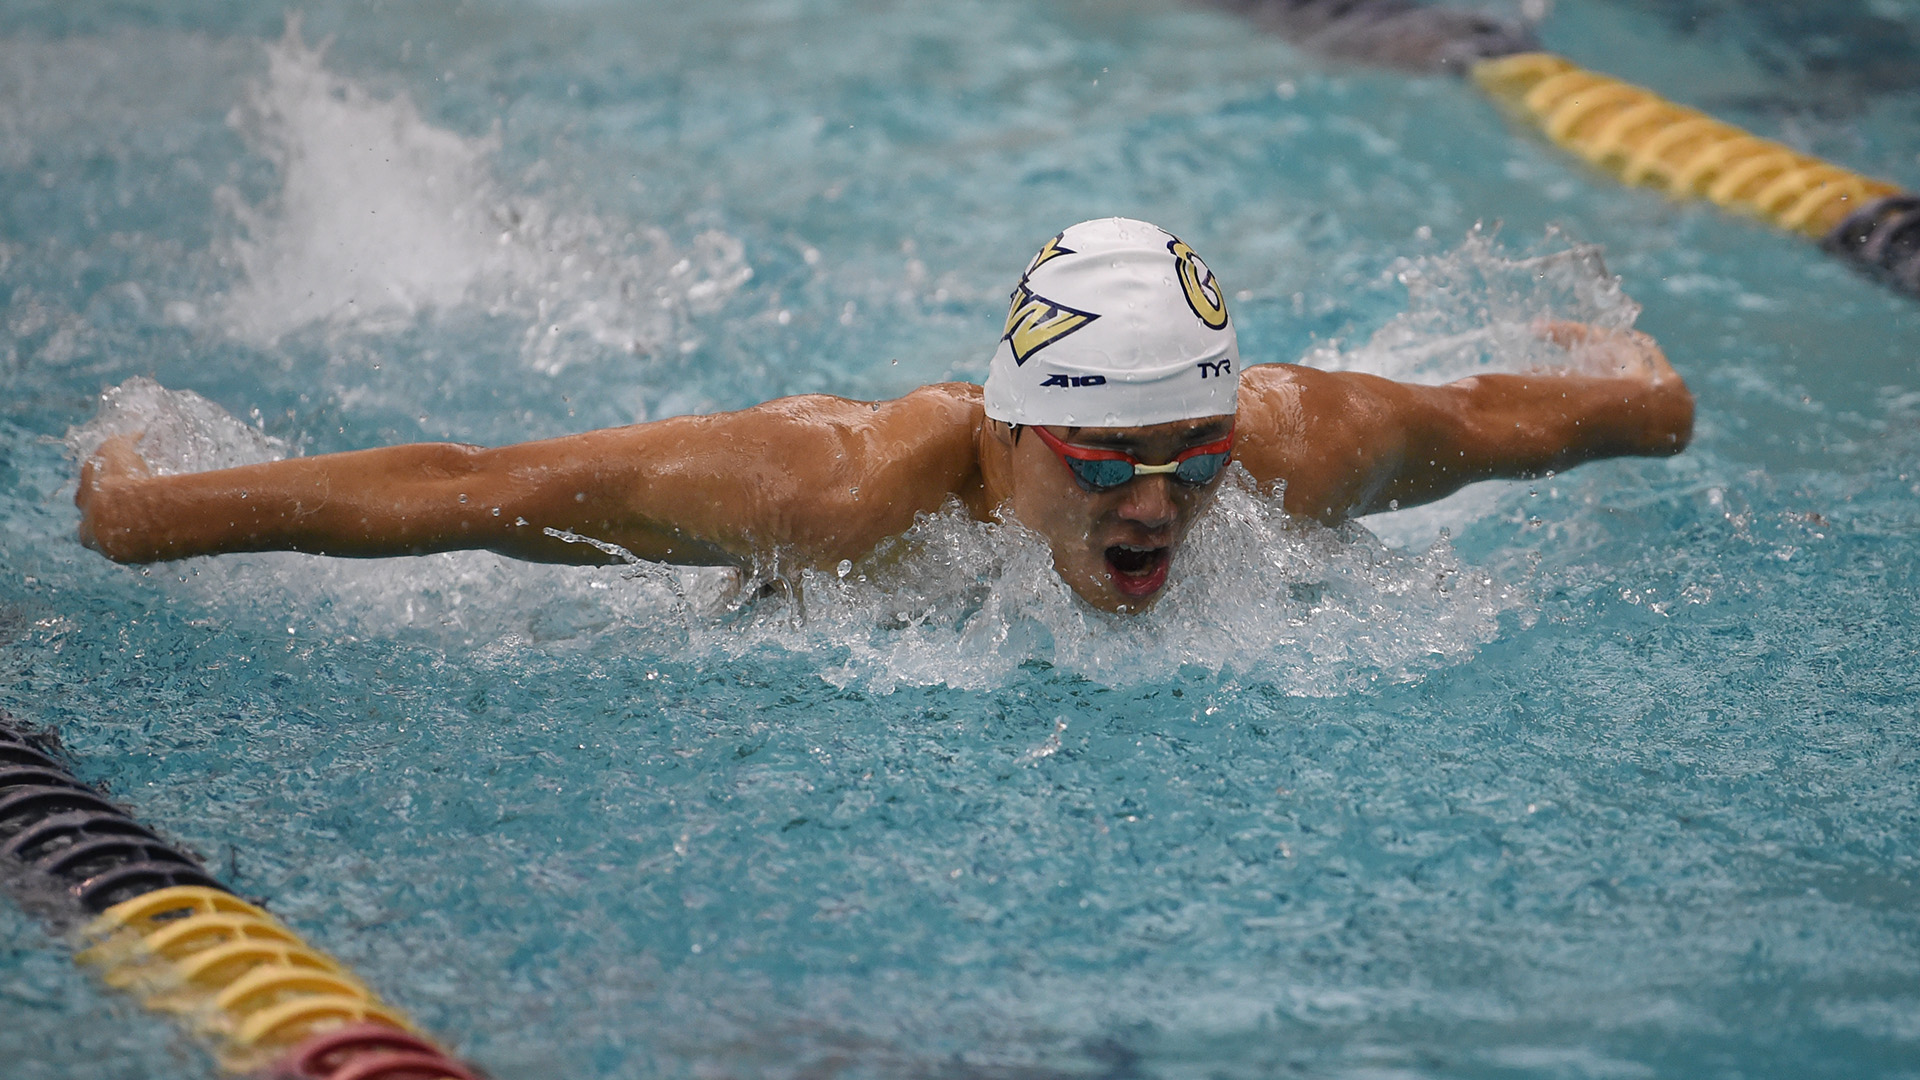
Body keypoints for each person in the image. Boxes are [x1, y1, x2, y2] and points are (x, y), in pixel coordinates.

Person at [75, 218, 1694, 614]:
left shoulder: (1296, 443)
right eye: (1106, 462)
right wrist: (149, 512)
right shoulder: (841, 488)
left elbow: (1551, 415)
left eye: (1188, 462)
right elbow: (471, 484)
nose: (1159, 511)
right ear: (1005, 434)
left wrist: (1636, 379)